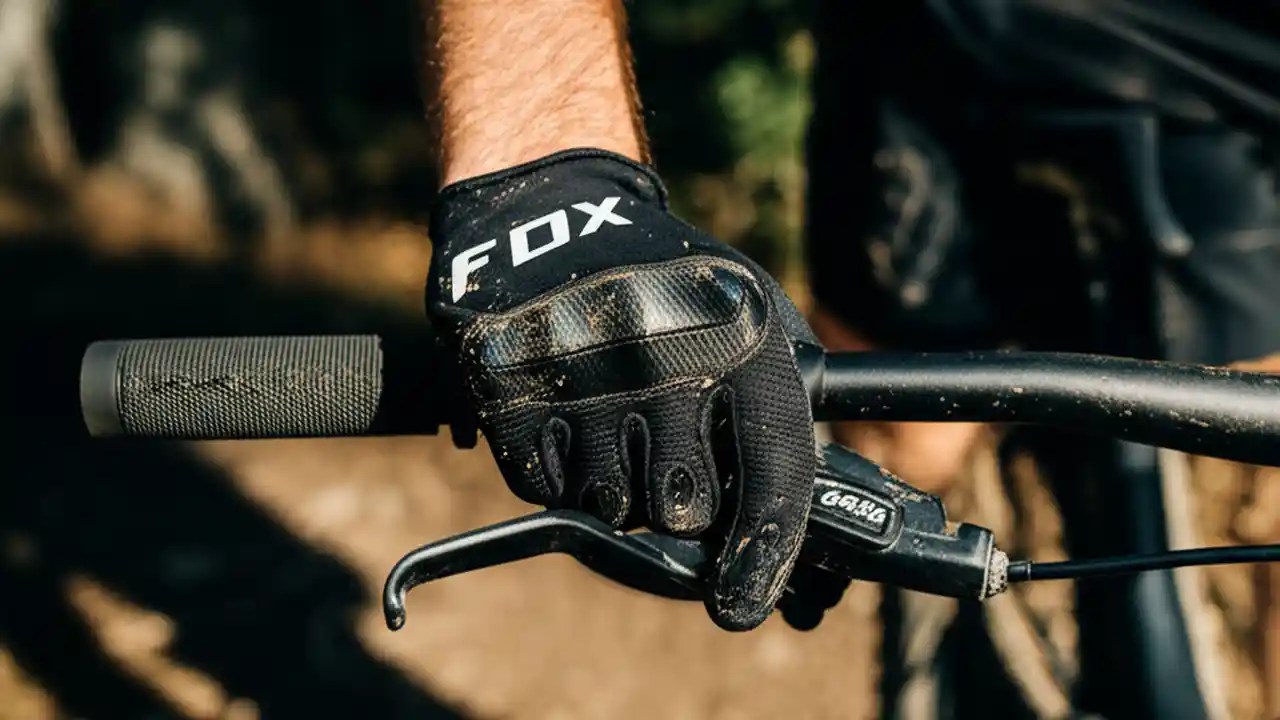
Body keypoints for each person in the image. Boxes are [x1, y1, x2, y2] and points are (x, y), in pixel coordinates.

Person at [419, 1, 1280, 717]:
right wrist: (550, 182)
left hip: (1240, 52)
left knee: (1257, 467)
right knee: (910, 443)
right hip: (940, 33)